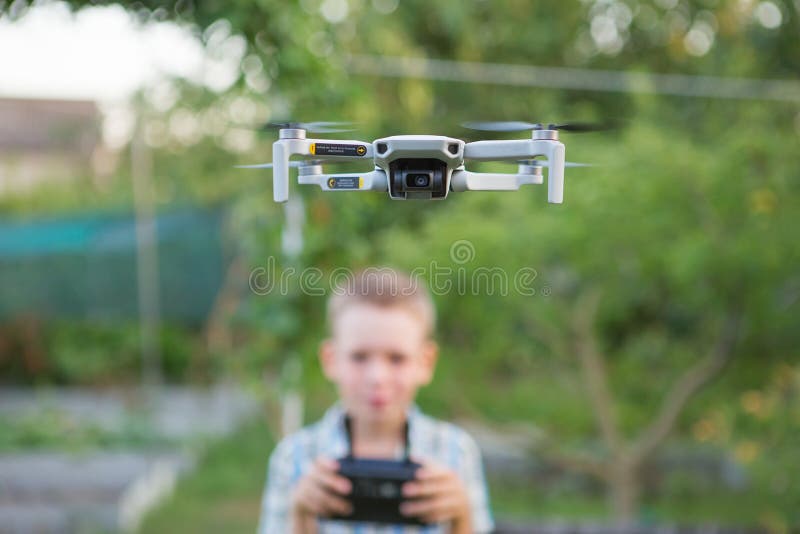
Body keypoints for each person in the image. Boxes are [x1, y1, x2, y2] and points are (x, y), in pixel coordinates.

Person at [257, 267, 494, 533]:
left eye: (397, 358)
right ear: (330, 359)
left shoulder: (456, 453)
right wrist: (300, 514)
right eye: (359, 357)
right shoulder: (294, 459)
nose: (377, 377)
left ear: (425, 362)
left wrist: (461, 516)